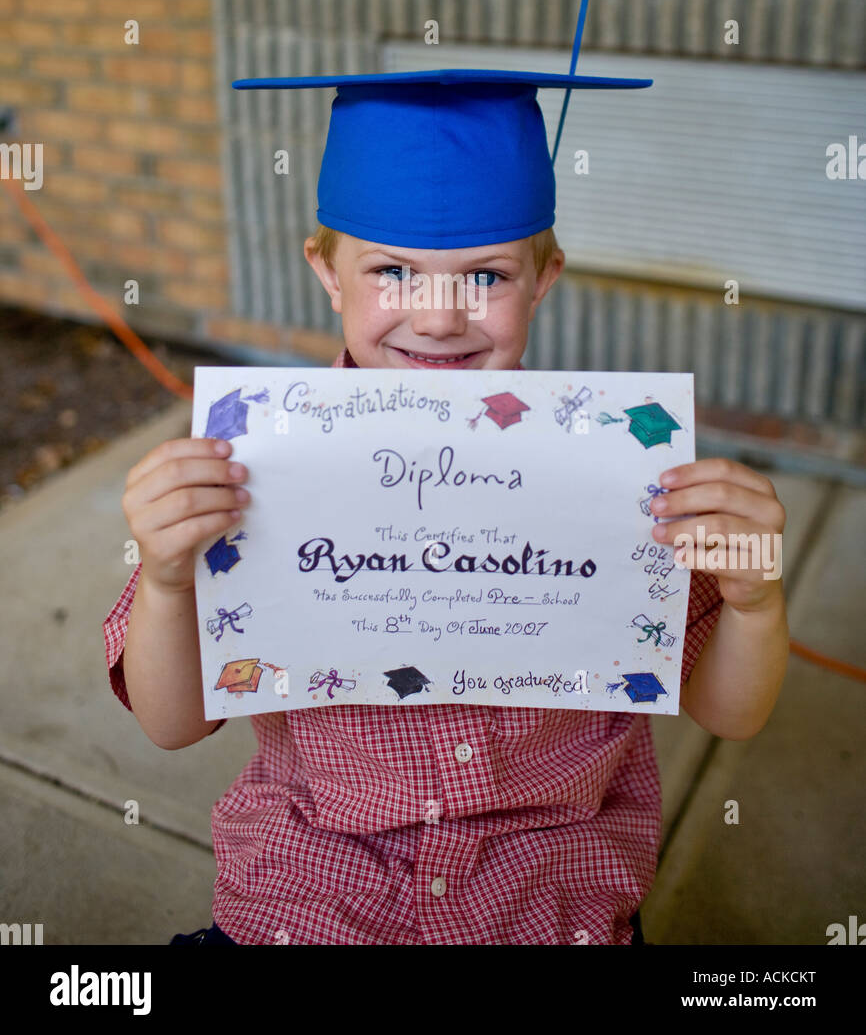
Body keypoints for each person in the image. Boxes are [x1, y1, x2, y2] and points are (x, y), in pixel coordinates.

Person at [104, 71, 788, 945]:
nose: (437, 317)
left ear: (543, 280)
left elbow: (729, 711)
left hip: (547, 899)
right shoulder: (252, 465)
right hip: (315, 890)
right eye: (392, 270)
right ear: (327, 273)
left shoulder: (623, 473)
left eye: (485, 277)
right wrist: (166, 581)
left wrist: (755, 601)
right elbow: (172, 724)